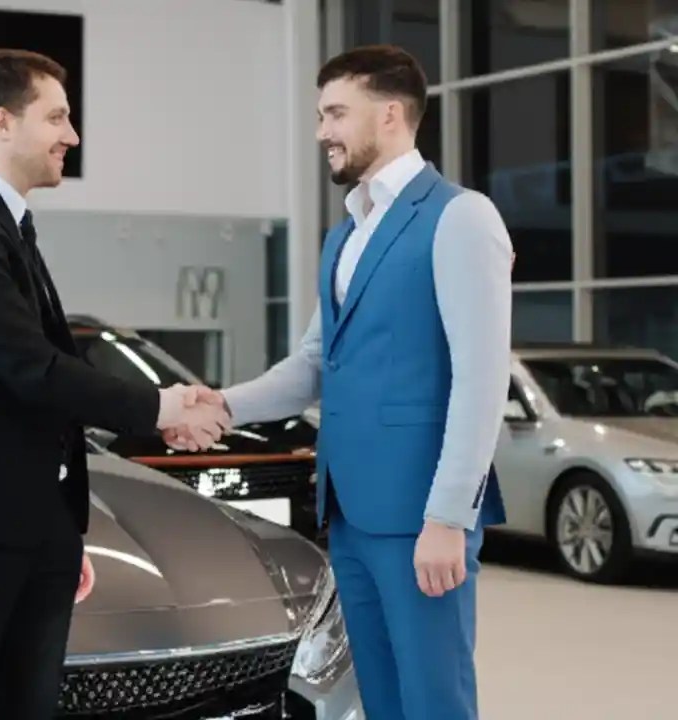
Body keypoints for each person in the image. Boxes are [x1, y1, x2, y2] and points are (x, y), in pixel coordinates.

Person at [0, 48, 230, 720]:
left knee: (26, 705)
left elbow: (39, 372)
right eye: (58, 118)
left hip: (28, 523)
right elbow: (29, 367)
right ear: (3, 123)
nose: (71, 137)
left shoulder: (7, 224)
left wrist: (54, 527)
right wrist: (162, 405)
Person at [172, 45, 511, 720]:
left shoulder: (459, 217)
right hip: (349, 512)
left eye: (335, 113)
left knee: (434, 700)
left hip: (420, 516)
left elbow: (482, 377)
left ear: (390, 114)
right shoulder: (346, 235)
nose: (322, 130)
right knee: (375, 701)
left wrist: (448, 516)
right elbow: (311, 367)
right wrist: (221, 405)